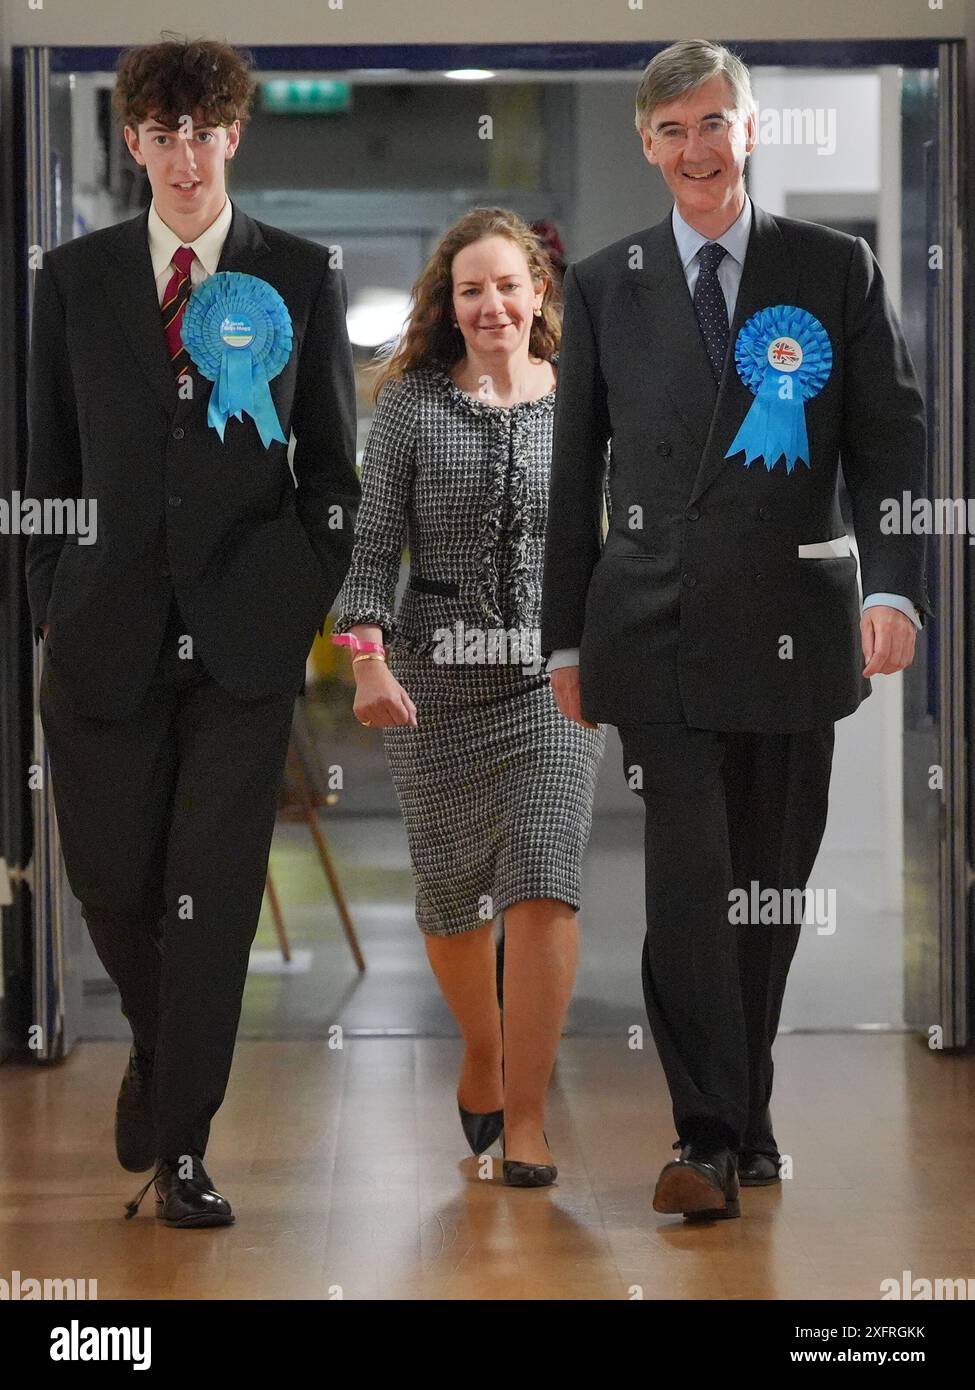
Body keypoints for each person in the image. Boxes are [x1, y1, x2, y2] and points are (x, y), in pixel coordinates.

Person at [541, 39, 931, 1220]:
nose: (698, 147)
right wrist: (564, 639)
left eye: (716, 122)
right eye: (674, 130)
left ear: (750, 130)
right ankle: (704, 1135)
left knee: (768, 887)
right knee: (689, 890)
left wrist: (893, 587)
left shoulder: (834, 267)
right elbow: (574, 482)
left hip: (798, 629)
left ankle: (744, 1107)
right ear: (646, 146)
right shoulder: (607, 283)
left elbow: (891, 441)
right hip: (653, 631)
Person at [25, 38, 358, 1226]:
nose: (183, 155)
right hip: (102, 639)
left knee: (209, 900)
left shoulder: (300, 274)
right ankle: (162, 1061)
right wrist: (45, 606)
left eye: (204, 130)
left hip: (241, 649)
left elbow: (332, 475)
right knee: (115, 886)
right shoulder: (72, 279)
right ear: (131, 141)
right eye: (161, 133)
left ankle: (183, 1151)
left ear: (237, 135)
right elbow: (41, 466)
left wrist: (286, 598)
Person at [332, 208, 606, 1187]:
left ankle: (527, 1114)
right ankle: (483, 1049)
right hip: (432, 678)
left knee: (542, 876)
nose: (491, 305)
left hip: (551, 678)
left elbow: (614, 544)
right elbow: (370, 553)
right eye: (470, 289)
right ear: (449, 306)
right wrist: (367, 659)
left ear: (540, 294)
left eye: (507, 285)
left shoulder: (584, 398)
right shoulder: (409, 403)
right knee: (454, 901)